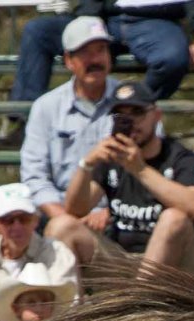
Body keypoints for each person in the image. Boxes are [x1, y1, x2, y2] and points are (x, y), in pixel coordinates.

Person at [54, 79, 194, 274]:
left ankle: (139, 302)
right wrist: (87, 165)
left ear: (157, 115)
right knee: (61, 226)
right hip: (124, 263)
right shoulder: (111, 157)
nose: (130, 122)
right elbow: (76, 210)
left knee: (174, 218)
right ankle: (75, 303)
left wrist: (140, 170)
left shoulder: (179, 157)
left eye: (137, 113)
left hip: (176, 268)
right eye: (121, 116)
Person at [4, 0, 194, 139]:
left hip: (157, 22)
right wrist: (86, 18)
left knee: (172, 59)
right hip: (103, 18)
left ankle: (129, 113)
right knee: (37, 32)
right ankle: (26, 121)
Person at [20, 17, 119, 230]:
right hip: (60, 217)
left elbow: (148, 169)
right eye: (85, 52)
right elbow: (35, 177)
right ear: (68, 60)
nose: (95, 59)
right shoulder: (45, 107)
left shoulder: (133, 104)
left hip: (120, 220)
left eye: (101, 50)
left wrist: (111, 211)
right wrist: (65, 219)